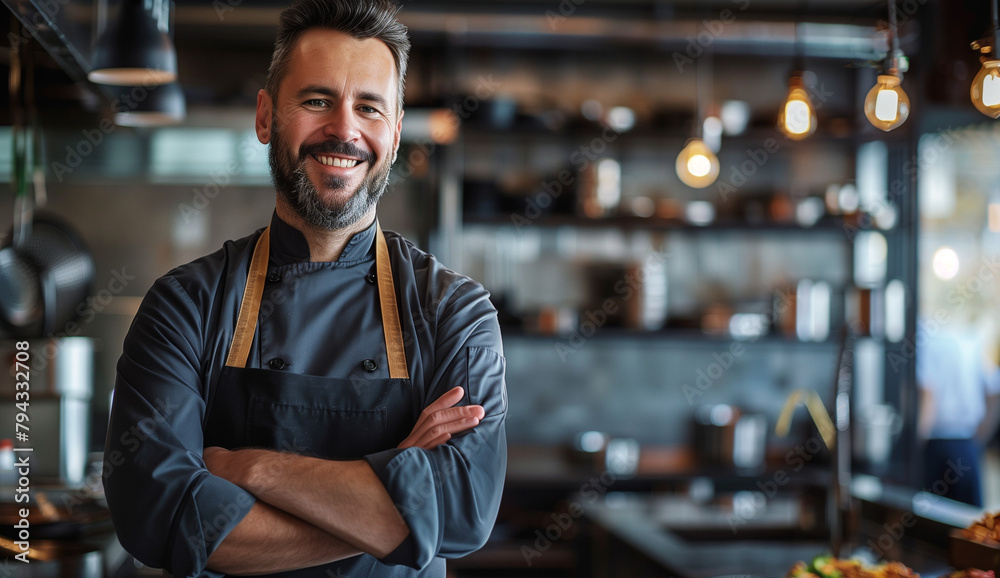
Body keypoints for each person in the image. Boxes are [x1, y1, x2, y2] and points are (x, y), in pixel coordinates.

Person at [102, 1, 507, 576]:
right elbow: (158, 515)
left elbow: (462, 513)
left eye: (369, 107)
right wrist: (403, 500)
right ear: (266, 116)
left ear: (392, 136)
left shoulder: (454, 312)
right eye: (317, 100)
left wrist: (249, 469)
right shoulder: (185, 305)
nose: (344, 129)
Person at [917, 320, 1000, 507]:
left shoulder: (925, 341)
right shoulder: (969, 339)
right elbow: (994, 389)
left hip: (936, 445)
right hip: (967, 445)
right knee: (969, 523)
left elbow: (928, 395)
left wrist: (914, 445)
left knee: (932, 521)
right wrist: (981, 437)